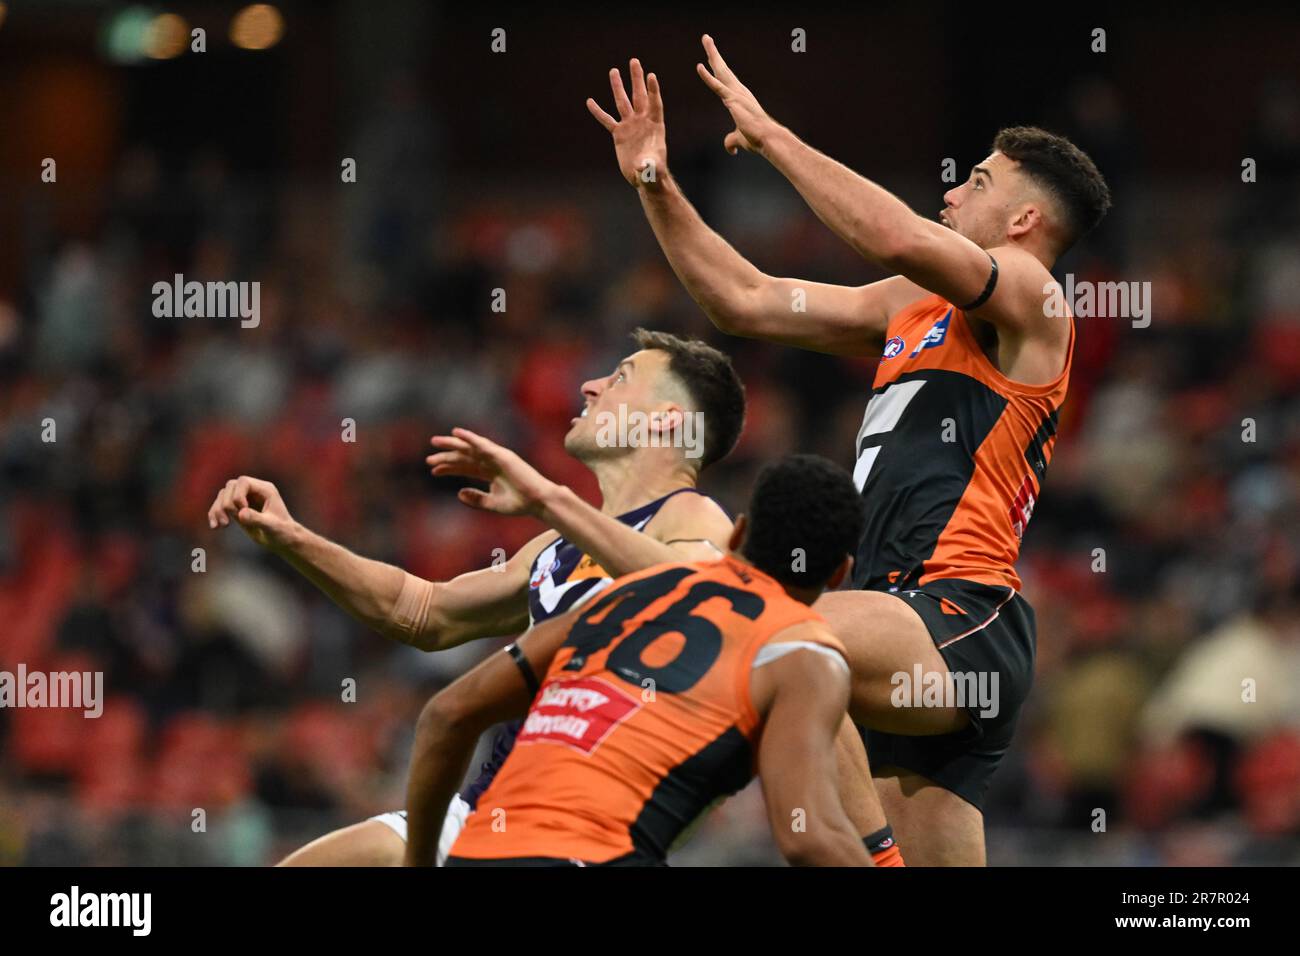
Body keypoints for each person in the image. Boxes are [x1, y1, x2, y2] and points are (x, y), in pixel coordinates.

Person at [588, 39, 1111, 864]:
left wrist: (773, 139)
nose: (951, 188)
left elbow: (896, 236)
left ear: (1022, 221)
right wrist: (653, 180)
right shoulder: (912, 305)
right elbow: (745, 299)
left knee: (771, 623)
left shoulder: (1034, 298)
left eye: (975, 180)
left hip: (954, 618)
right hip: (886, 626)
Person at [207, 328, 742, 864]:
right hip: (488, 809)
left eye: (621, 377)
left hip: (582, 828)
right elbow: (419, 612)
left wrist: (547, 499)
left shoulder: (691, 518)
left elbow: (698, 595)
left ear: (668, 418)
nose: (590, 386)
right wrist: (292, 537)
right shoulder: (555, 546)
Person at [404, 455, 890, 868]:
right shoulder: (802, 647)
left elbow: (447, 715)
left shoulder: (624, 593)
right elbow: (809, 835)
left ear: (738, 533)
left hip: (478, 852)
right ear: (839, 575)